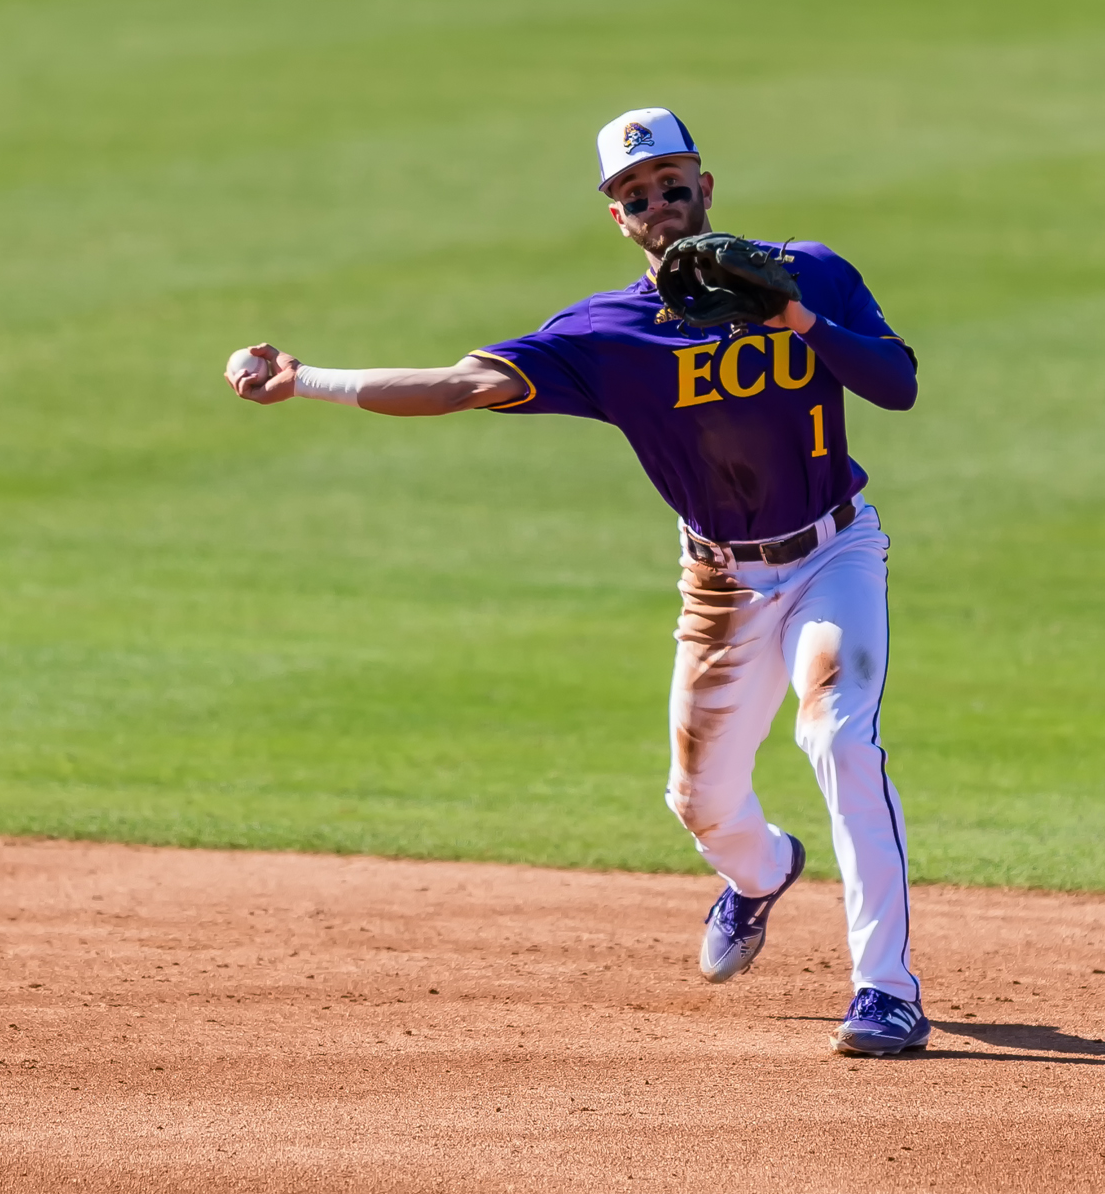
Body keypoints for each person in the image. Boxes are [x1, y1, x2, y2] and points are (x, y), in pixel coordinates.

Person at [227, 108, 927, 1055]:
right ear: (619, 218)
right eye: (636, 194)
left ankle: (885, 990)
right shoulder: (607, 334)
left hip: (835, 553)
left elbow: (896, 384)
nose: (660, 202)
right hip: (721, 588)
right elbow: (453, 386)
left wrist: (794, 315)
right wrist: (304, 379)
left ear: (705, 188)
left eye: (673, 183)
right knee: (701, 801)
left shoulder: (808, 271)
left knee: (839, 733)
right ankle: (761, 874)